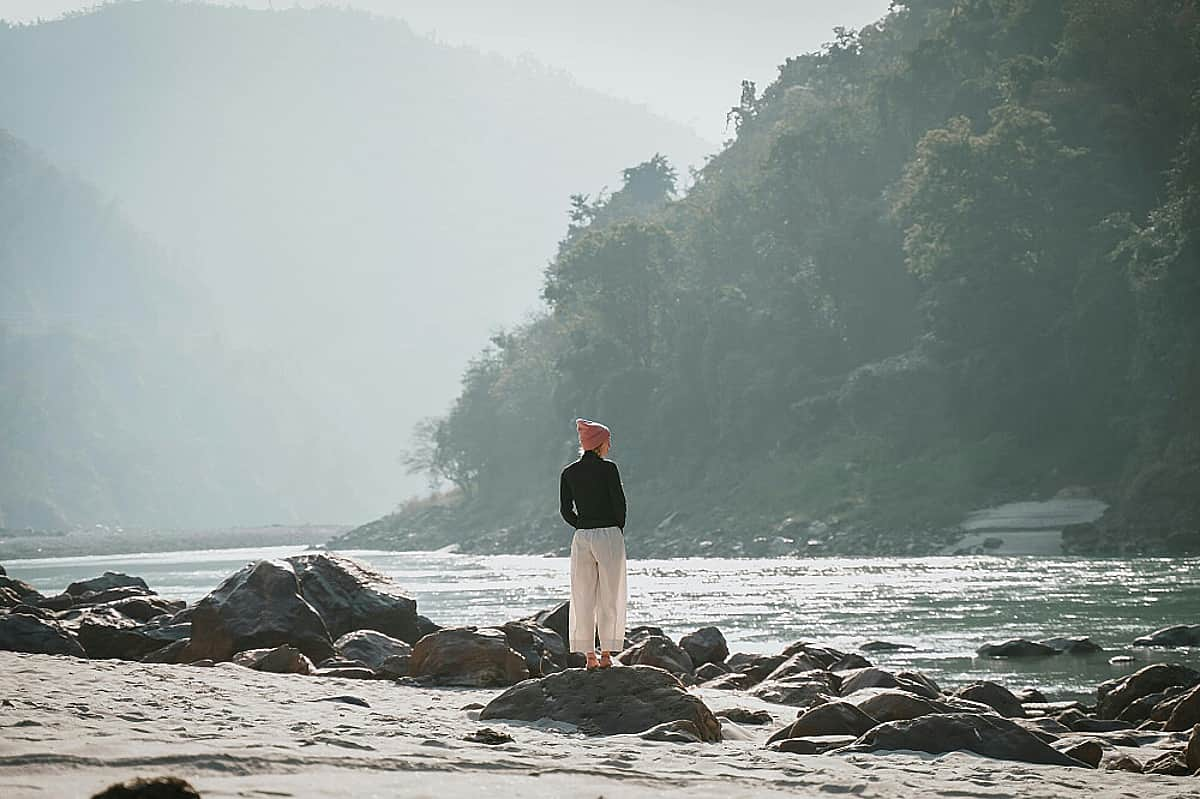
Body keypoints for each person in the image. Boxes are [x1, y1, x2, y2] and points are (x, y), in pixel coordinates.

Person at [559, 418, 627, 670]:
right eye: (608, 440)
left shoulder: (569, 473)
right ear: (600, 443)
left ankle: (589, 656)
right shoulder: (609, 469)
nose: (610, 445)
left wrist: (581, 525)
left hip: (583, 536)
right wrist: (617, 526)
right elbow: (619, 504)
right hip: (608, 534)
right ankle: (607, 654)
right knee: (610, 594)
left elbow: (565, 510)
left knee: (582, 594)